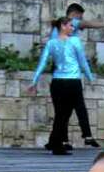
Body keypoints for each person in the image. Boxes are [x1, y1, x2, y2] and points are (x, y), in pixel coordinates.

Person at [27, 15, 94, 154]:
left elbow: (42, 63)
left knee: (60, 114)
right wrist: (90, 78)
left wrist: (34, 81)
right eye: (70, 25)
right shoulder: (75, 41)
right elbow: (82, 62)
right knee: (67, 113)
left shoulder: (51, 43)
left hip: (57, 83)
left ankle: (55, 143)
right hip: (72, 82)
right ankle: (60, 144)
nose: (72, 28)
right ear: (63, 26)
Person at [60, 0, 104, 146]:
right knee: (77, 106)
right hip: (69, 76)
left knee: (68, 108)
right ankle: (84, 136)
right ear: (74, 15)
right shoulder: (71, 22)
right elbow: (87, 24)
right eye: (79, 17)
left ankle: (67, 139)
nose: (80, 22)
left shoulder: (60, 27)